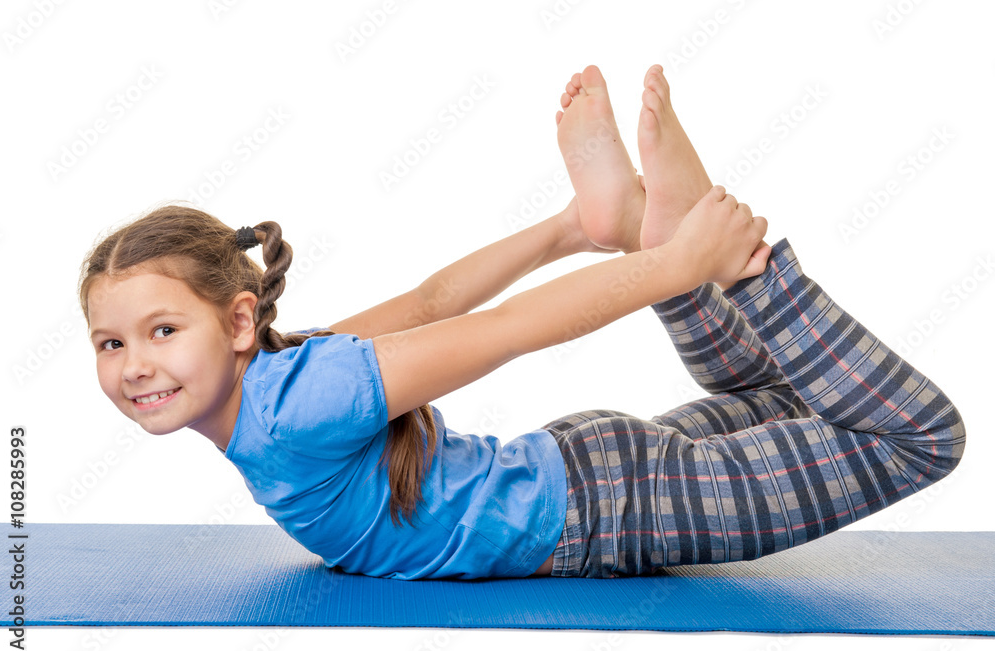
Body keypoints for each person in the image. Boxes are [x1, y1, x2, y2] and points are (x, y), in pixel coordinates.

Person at [77, 64, 966, 581]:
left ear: (236, 321)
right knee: (782, 398)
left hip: (614, 508)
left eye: (161, 331)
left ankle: (734, 268)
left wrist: (677, 264)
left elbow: (508, 330)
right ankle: (647, 229)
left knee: (923, 438)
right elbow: (430, 302)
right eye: (111, 342)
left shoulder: (297, 403)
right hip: (592, 478)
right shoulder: (283, 374)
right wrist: (571, 230)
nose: (134, 367)